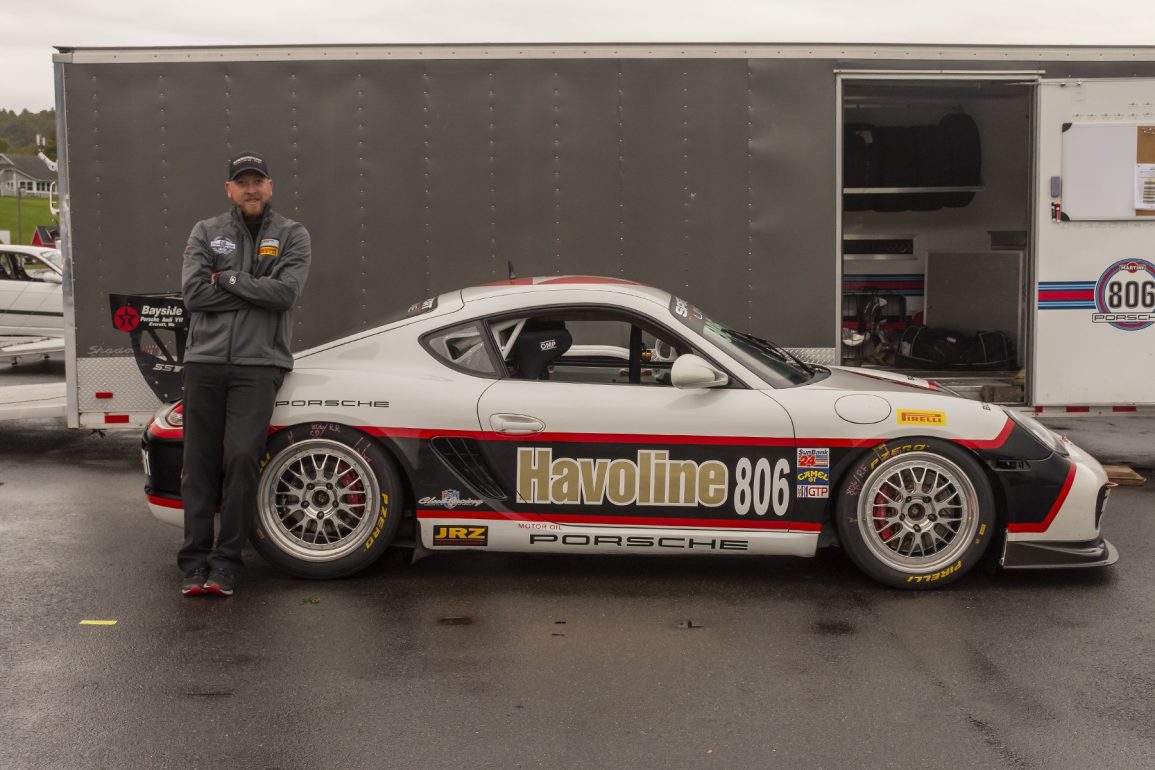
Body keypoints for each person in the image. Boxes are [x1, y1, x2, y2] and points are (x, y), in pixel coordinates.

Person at [178, 151, 311, 597]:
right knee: (198, 465)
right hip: (205, 363)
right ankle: (194, 562)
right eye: (242, 181)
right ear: (229, 189)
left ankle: (227, 563)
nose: (250, 188)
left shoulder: (293, 234)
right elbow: (195, 294)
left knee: (240, 460)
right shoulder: (206, 231)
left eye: (258, 181)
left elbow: (285, 294)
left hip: (259, 366)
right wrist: (253, 285)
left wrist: (228, 280)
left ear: (270, 186)